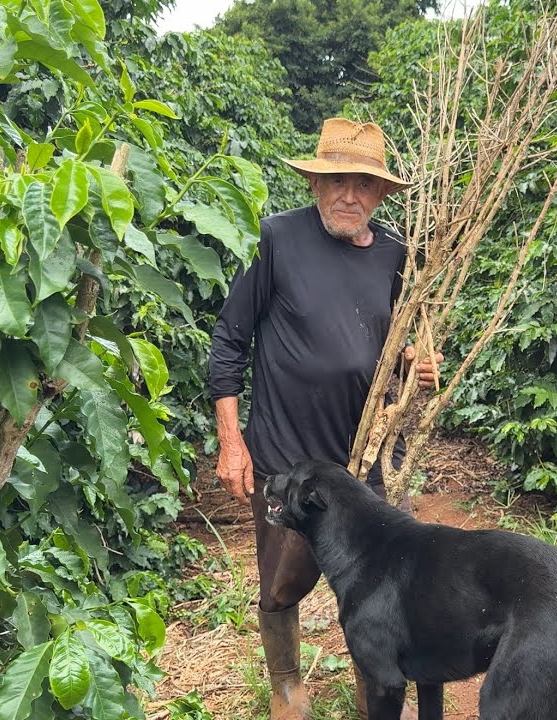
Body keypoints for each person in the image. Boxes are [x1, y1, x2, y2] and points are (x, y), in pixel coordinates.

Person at [208, 118, 440, 720]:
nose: (348, 195)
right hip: (289, 458)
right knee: (281, 582)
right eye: (336, 180)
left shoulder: (395, 254)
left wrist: (416, 359)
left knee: (382, 581)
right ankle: (286, 682)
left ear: (381, 193)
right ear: (315, 183)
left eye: (363, 184)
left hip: (366, 459)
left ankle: (376, 686)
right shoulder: (276, 240)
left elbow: (397, 340)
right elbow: (229, 342)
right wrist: (232, 442)